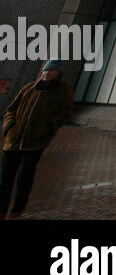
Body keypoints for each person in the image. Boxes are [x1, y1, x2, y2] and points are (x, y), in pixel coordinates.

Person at [2, 59, 75, 219]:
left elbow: (65, 112)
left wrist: (48, 129)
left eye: (51, 71)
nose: (46, 73)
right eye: (45, 70)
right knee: (5, 177)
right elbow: (11, 109)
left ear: (58, 73)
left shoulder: (63, 91)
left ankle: (17, 209)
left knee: (25, 176)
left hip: (35, 142)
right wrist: (9, 127)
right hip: (13, 140)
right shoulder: (29, 88)